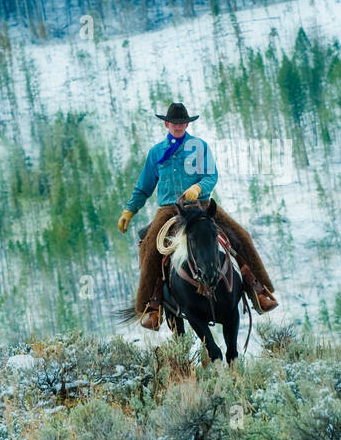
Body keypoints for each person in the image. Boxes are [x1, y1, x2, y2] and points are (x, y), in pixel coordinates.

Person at [118, 102, 278, 329]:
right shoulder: (156, 153)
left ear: (187, 124)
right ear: (166, 124)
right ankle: (151, 306)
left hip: (200, 204)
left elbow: (211, 176)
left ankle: (259, 290)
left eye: (183, 123)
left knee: (240, 235)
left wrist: (198, 188)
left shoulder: (199, 147)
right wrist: (129, 210)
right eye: (175, 123)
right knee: (149, 248)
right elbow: (144, 187)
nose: (179, 126)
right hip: (169, 209)